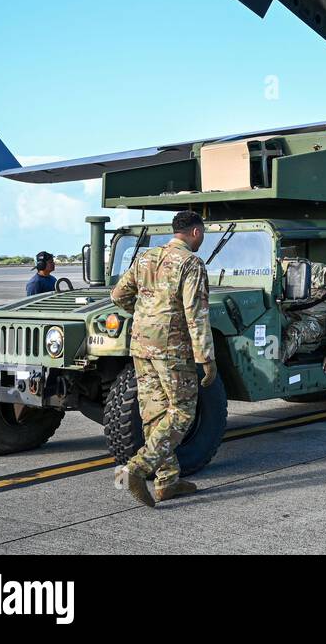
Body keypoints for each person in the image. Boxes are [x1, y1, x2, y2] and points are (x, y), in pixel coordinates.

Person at [110, 210, 216, 507]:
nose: (202, 240)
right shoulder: (190, 263)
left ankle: (167, 481)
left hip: (141, 345)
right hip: (172, 348)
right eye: (202, 234)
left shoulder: (145, 258)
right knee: (182, 412)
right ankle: (138, 468)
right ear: (195, 232)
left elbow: (118, 295)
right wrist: (206, 356)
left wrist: (146, 316)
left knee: (155, 414)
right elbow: (196, 313)